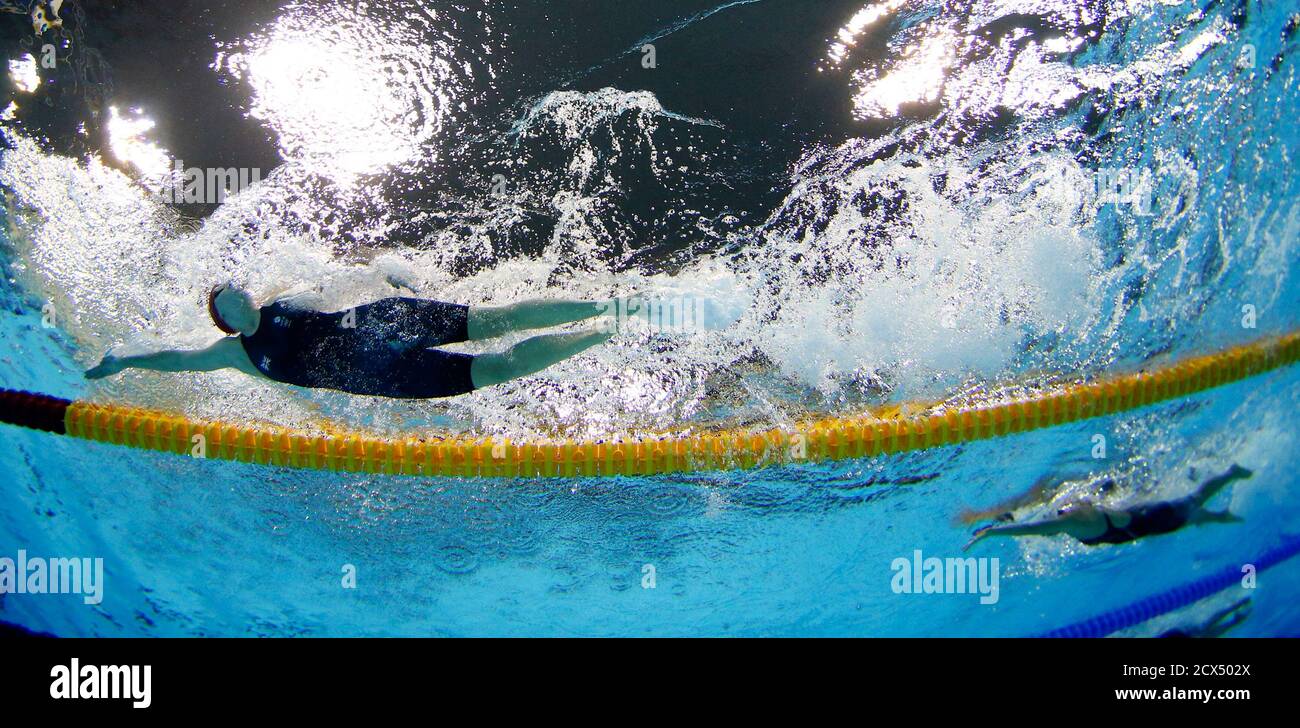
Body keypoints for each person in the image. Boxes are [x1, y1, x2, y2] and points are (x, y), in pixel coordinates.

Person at [85, 283, 617, 399]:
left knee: (495, 320)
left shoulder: (284, 303)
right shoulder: (235, 354)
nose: (240, 293)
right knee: (495, 370)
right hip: (384, 379)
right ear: (221, 317)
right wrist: (124, 359)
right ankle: (601, 331)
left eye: (238, 287)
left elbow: (338, 282)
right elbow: (178, 358)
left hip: (385, 324)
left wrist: (385, 274)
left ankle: (604, 305)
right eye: (227, 296)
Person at [963, 464, 1252, 550]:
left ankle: (1230, 473)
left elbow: (1031, 528)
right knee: (1190, 516)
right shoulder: (1073, 515)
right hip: (1141, 522)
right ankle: (1220, 515)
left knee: (1194, 502)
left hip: (1151, 520)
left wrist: (993, 533)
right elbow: (1035, 525)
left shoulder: (1072, 521)